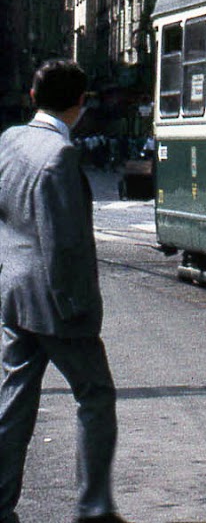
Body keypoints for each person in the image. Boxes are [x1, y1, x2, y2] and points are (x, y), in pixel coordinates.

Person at [0, 59, 127, 523]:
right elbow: (65, 242)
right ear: (80, 104)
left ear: (33, 98)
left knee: (14, 400)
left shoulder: (10, 141)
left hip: (14, 294)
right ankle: (94, 506)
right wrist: (78, 308)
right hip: (55, 301)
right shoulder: (60, 156)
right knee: (95, 395)